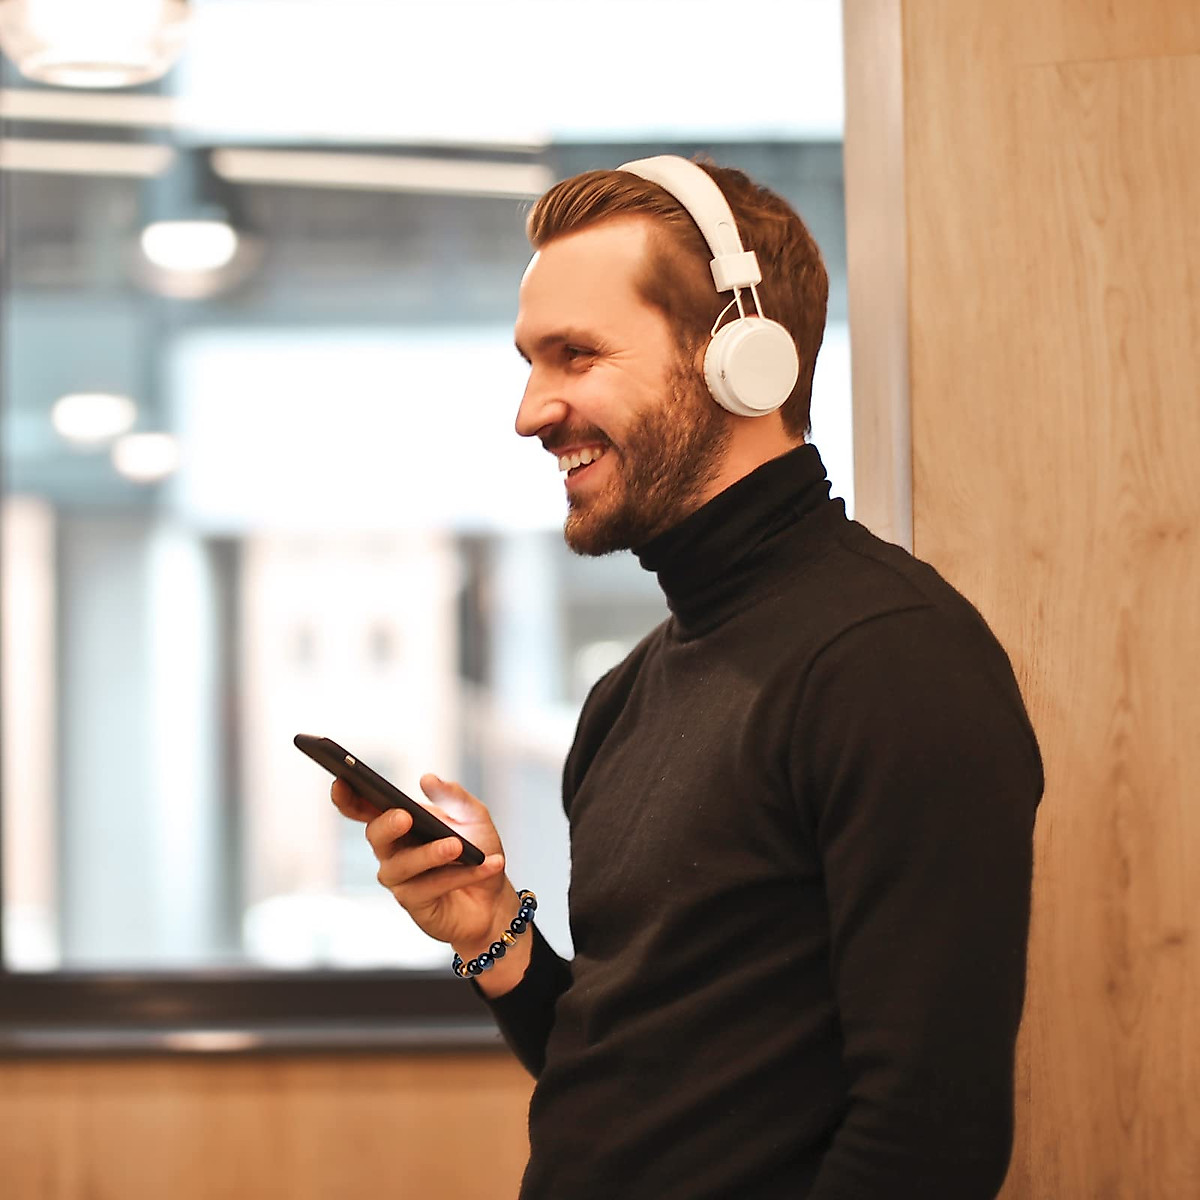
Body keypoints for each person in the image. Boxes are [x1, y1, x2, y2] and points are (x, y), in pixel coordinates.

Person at [331, 155, 1043, 1199]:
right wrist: (495, 937)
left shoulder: (893, 661)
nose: (531, 412)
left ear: (739, 357)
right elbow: (637, 1079)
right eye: (531, 362)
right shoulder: (629, 695)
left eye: (575, 356)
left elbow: (929, 1142)